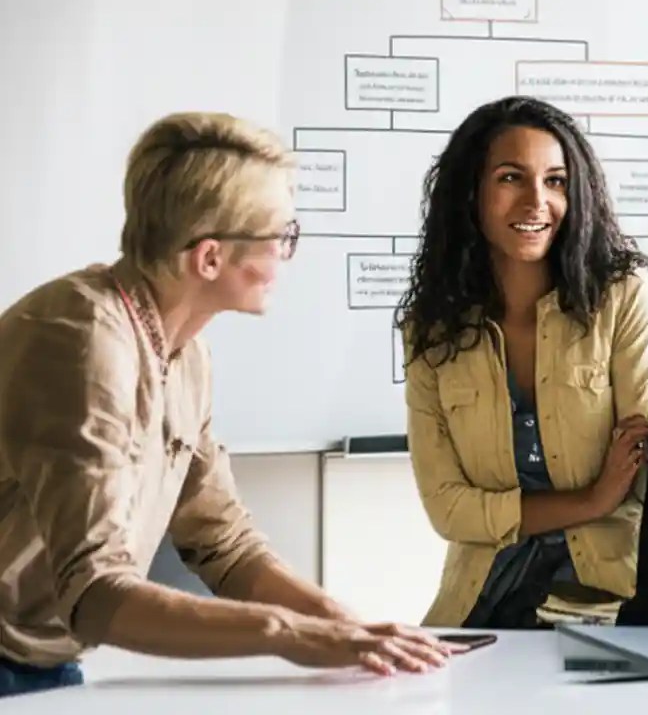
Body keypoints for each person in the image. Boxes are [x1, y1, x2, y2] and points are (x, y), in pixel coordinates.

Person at [0, 112, 458, 698]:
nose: (287, 256)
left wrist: (344, 623)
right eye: (281, 236)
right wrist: (286, 633)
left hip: (38, 658)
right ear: (209, 258)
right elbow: (94, 595)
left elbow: (222, 542)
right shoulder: (81, 341)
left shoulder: (185, 352)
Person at [398, 95, 648, 629]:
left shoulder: (622, 296)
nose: (537, 201)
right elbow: (449, 509)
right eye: (511, 178)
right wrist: (592, 498)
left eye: (556, 181)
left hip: (613, 601)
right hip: (480, 601)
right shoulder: (431, 326)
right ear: (471, 192)